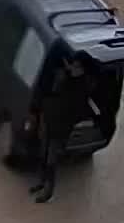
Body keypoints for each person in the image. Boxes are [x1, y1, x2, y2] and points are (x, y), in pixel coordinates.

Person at [33, 57, 97, 203]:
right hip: (51, 120)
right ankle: (42, 184)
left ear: (81, 68)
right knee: (44, 153)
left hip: (60, 126)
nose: (72, 67)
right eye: (72, 64)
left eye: (75, 65)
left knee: (51, 158)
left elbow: (75, 109)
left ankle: (48, 192)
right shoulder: (68, 79)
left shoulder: (81, 87)